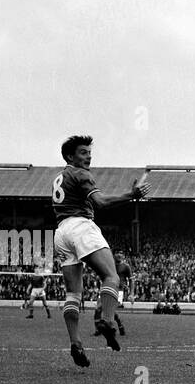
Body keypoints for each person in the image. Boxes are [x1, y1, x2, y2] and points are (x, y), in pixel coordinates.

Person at [50, 135, 148, 367]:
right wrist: (131, 195)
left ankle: (76, 343)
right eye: (83, 152)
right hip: (81, 226)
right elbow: (101, 202)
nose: (88, 156)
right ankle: (106, 321)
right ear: (70, 156)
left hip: (61, 232)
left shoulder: (59, 177)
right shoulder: (80, 174)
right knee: (111, 276)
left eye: (89, 152)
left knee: (73, 294)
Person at [94, 253, 132, 337]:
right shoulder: (108, 265)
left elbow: (131, 279)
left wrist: (131, 293)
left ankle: (118, 324)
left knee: (108, 309)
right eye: (117, 253)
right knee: (98, 309)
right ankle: (98, 330)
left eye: (121, 253)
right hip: (107, 288)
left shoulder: (126, 266)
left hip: (118, 291)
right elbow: (99, 275)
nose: (119, 255)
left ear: (123, 256)